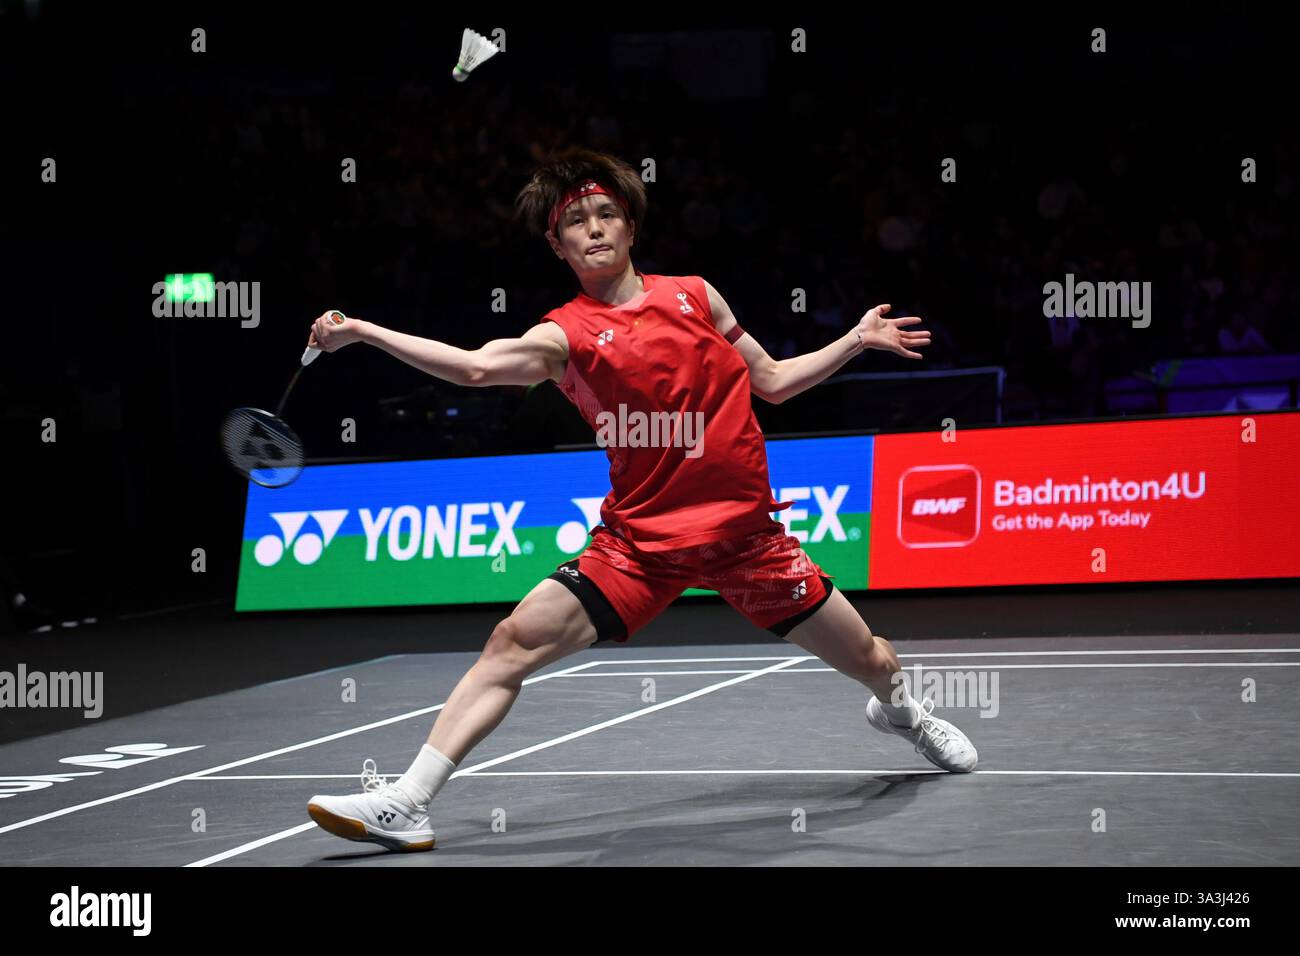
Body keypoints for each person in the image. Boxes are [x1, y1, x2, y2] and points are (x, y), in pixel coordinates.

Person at [305, 147, 976, 853]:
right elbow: (475, 368)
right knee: (510, 643)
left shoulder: (696, 295)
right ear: (556, 244)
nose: (594, 229)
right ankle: (408, 802)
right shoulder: (563, 335)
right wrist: (364, 333)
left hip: (747, 539)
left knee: (875, 661)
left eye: (606, 215)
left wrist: (853, 341)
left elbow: (773, 381)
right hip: (638, 545)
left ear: (630, 227)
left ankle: (905, 717)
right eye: (576, 222)